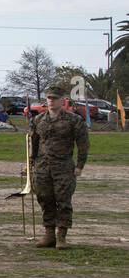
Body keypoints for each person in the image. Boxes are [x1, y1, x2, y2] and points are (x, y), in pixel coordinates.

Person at [31, 84, 90, 249]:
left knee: (63, 200)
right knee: (45, 199)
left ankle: (61, 236)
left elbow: (83, 144)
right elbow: (33, 144)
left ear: (63, 101)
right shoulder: (38, 120)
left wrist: (80, 165)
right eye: (49, 98)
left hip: (63, 166)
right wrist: (31, 164)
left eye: (55, 99)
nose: (51, 101)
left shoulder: (74, 120)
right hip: (43, 167)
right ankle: (49, 234)